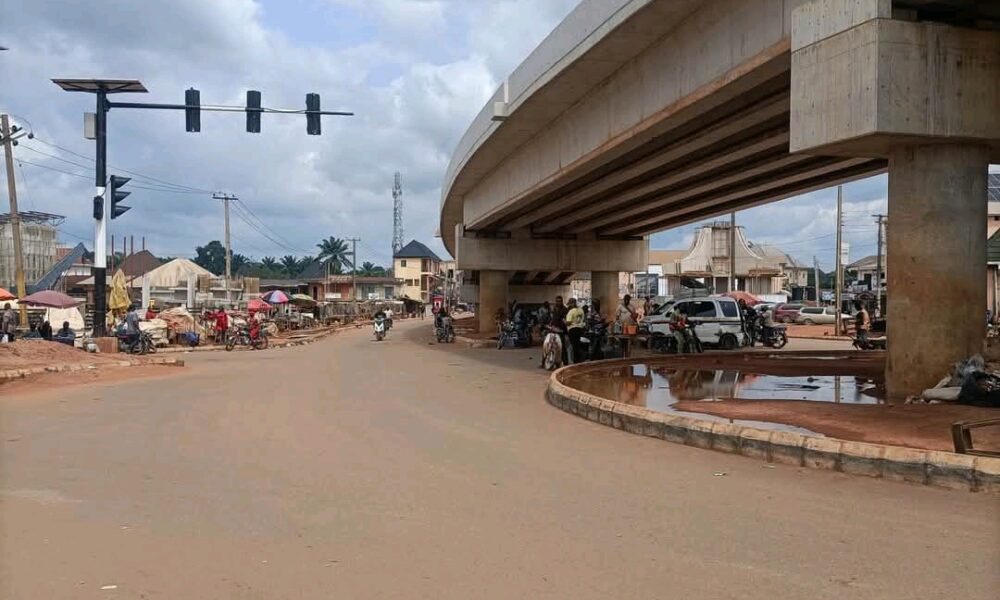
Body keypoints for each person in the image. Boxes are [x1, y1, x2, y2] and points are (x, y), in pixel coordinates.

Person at [565, 298, 586, 363]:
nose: (569, 306)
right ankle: (580, 360)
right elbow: (583, 319)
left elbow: (568, 322)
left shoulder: (571, 312)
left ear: (573, 303)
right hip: (580, 329)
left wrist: (564, 322)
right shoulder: (581, 310)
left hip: (572, 330)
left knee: (574, 346)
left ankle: (576, 361)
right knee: (577, 345)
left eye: (570, 304)